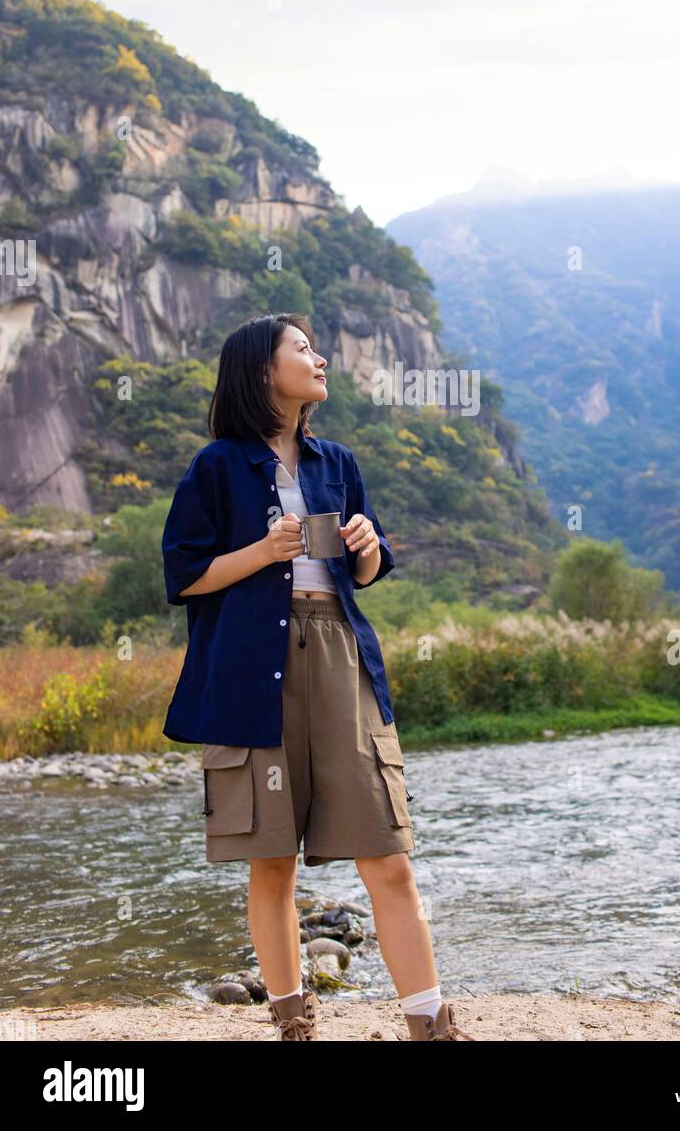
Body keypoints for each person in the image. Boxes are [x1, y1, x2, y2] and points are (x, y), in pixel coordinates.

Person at [160, 312, 473, 1042]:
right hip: (247, 667)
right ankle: (293, 1025)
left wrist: (366, 548)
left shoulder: (336, 462)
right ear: (261, 371)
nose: (319, 357)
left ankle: (430, 1024)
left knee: (387, 854)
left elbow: (366, 570)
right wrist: (263, 551)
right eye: (302, 349)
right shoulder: (215, 467)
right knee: (271, 862)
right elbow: (185, 575)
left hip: (338, 652)